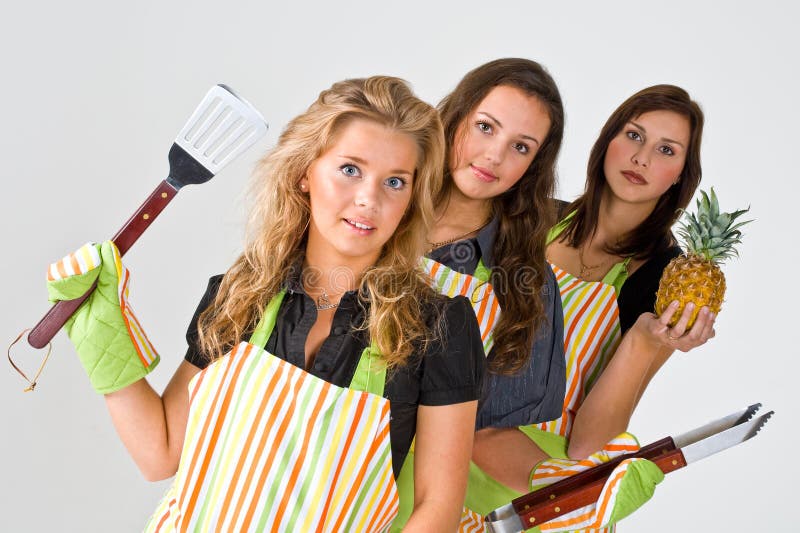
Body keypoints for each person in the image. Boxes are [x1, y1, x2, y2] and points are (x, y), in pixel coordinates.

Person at [46, 76, 485, 532]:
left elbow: (436, 507)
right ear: (304, 173)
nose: (368, 199)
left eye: (395, 181)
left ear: (410, 201)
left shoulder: (438, 327)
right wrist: (101, 334)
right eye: (350, 169)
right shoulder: (239, 296)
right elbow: (162, 453)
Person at [472, 84, 717, 532]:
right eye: (634, 135)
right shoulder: (529, 217)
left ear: (682, 174)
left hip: (541, 489)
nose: (641, 158)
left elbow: (589, 443)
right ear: (607, 140)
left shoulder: (665, 280)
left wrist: (643, 341)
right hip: (442, 450)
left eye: (666, 149)